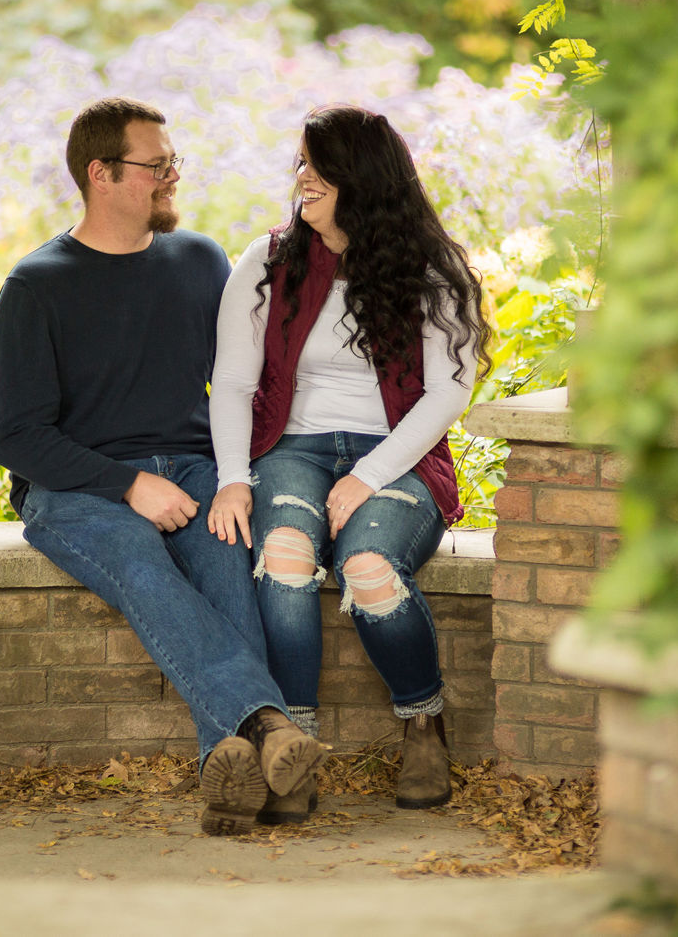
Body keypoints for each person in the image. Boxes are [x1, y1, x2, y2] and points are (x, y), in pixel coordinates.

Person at [0, 97, 326, 836]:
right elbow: (13, 435)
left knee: (227, 560)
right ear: (101, 173)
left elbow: (241, 378)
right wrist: (129, 484)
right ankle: (268, 724)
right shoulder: (37, 285)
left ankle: (231, 776)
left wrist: (239, 474)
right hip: (77, 486)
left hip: (194, 470)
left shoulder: (199, 260)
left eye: (174, 162)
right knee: (140, 559)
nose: (174, 175)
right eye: (157, 165)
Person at [207, 104, 491, 821]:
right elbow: (233, 382)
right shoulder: (268, 261)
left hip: (396, 450)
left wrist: (368, 475)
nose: (301, 176)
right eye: (301, 162)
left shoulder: (432, 268)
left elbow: (448, 391)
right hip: (291, 446)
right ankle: (293, 748)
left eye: (317, 165)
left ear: (359, 176)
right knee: (284, 552)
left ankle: (423, 723)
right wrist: (233, 478)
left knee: (369, 569)